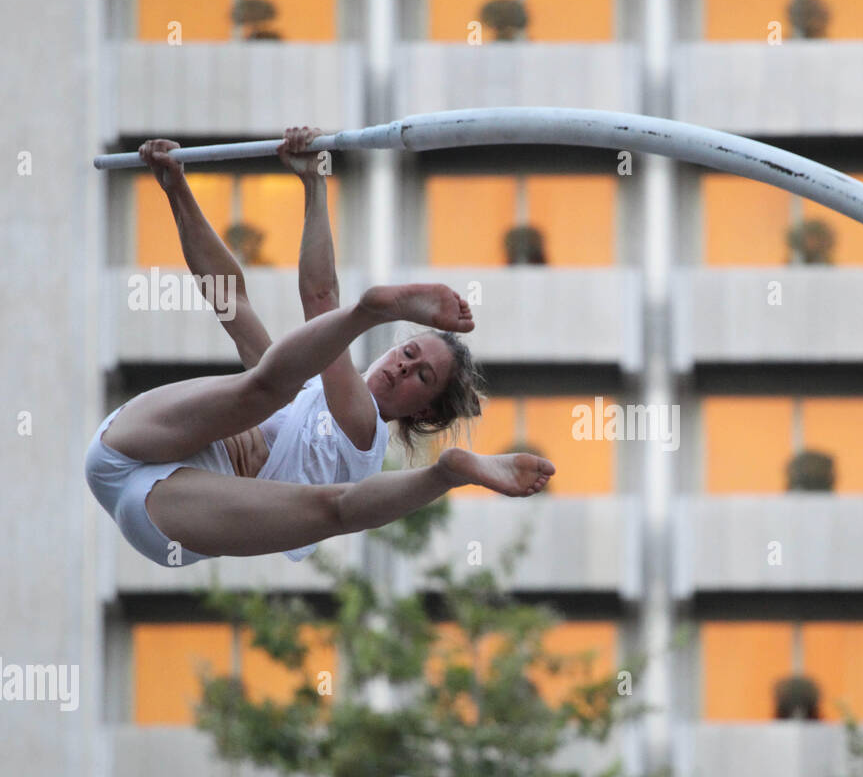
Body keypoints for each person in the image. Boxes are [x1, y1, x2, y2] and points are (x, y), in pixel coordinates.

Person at [85, 127, 554, 567]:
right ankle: (372, 313)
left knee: (329, 496)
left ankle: (447, 470)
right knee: (265, 380)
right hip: (122, 450)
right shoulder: (302, 381)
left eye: (422, 378)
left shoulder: (361, 434)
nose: (403, 369)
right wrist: (178, 190)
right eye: (408, 355)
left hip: (168, 510)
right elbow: (229, 299)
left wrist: (318, 184)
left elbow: (320, 299)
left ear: (425, 415)